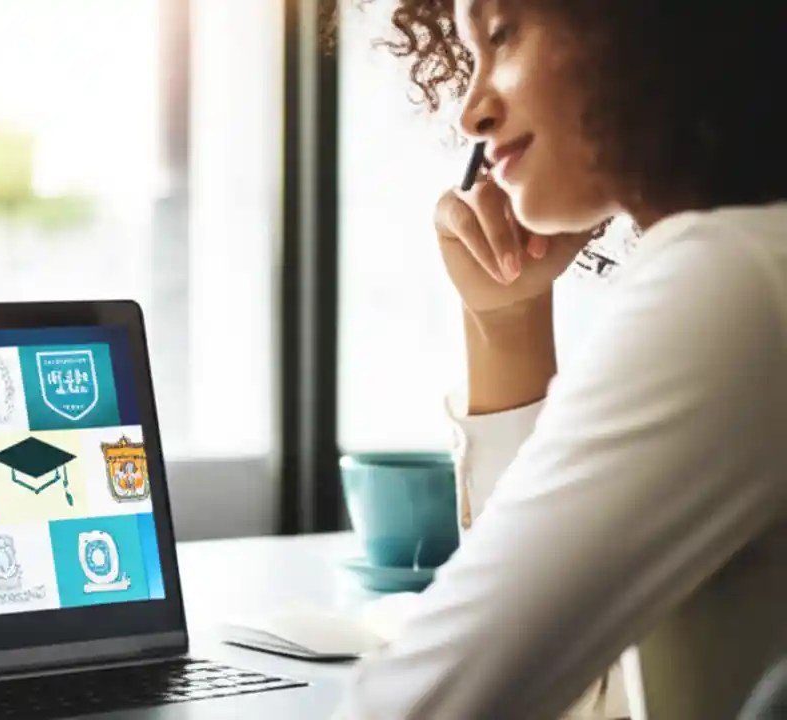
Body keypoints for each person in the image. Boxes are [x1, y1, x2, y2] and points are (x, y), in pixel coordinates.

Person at [335, 1, 787, 718]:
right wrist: (506, 321)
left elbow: (431, 703)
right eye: (469, 56)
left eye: (503, 35)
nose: (472, 116)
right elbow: (577, 694)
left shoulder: (732, 279)